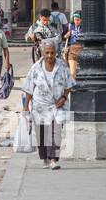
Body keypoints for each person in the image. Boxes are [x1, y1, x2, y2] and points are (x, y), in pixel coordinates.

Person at [22, 40, 74, 168]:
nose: (50, 56)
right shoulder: (36, 68)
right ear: (42, 53)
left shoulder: (62, 66)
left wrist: (64, 96)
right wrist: (25, 109)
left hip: (57, 106)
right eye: (47, 53)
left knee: (56, 133)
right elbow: (29, 89)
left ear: (56, 53)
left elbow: (69, 84)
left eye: (52, 53)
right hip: (40, 106)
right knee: (42, 134)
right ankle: (45, 158)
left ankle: (53, 160)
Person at [63, 10, 83, 79]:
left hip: (82, 50)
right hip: (72, 50)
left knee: (83, 72)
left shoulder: (84, 28)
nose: (76, 22)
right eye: (75, 20)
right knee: (72, 72)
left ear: (81, 20)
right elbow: (62, 36)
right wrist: (66, 35)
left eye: (78, 20)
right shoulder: (69, 26)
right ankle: (72, 89)